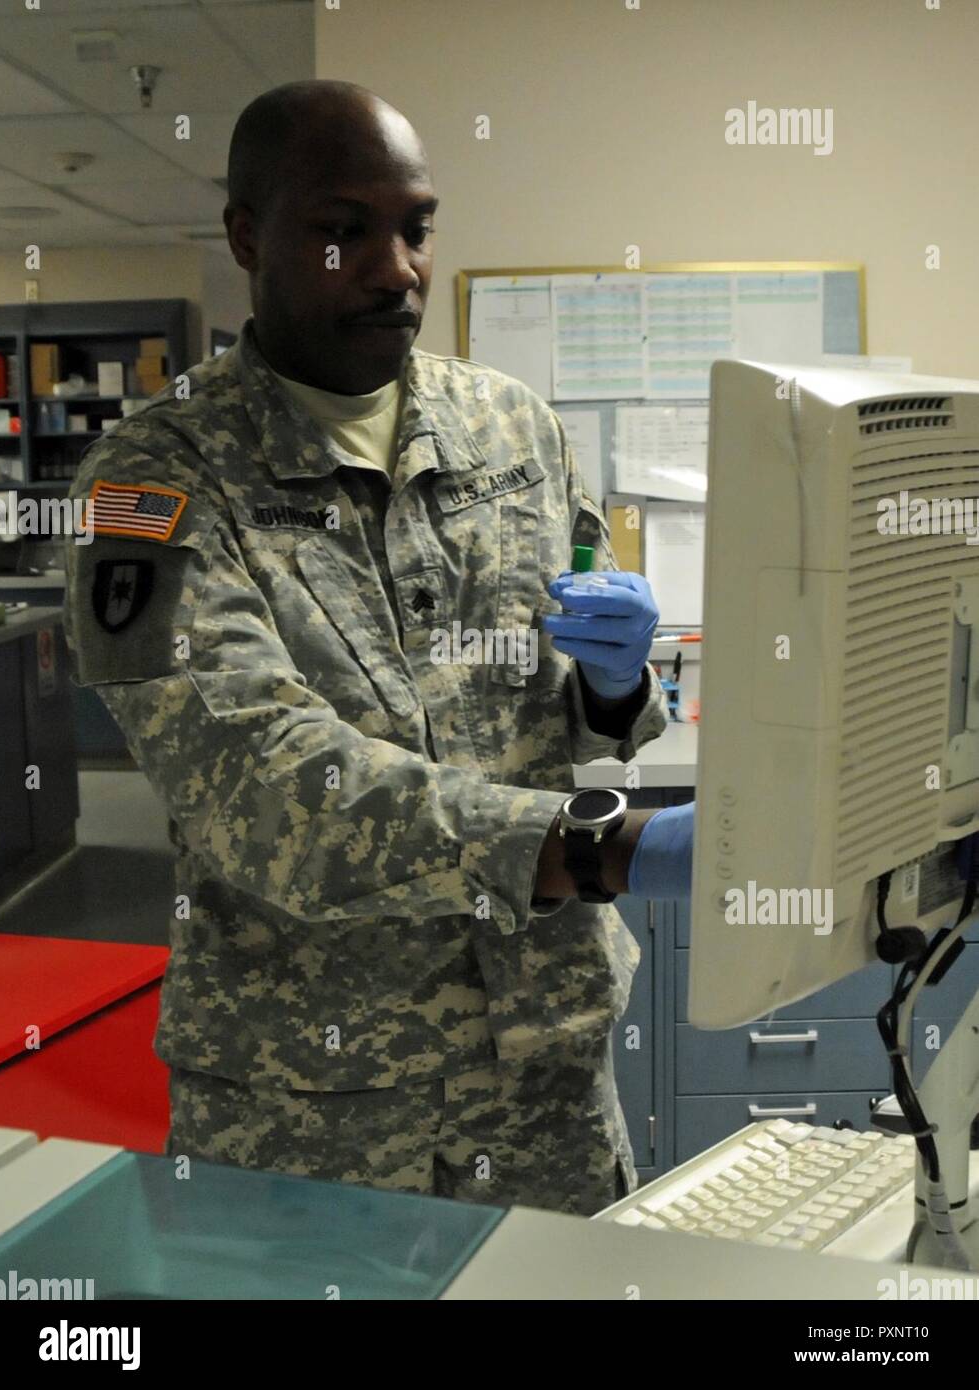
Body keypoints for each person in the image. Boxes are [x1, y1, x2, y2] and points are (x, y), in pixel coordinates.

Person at [62, 78, 694, 1216]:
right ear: (249, 236)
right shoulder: (149, 488)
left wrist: (618, 681)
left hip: (547, 1077)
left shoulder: (513, 430)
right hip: (315, 1119)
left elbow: (583, 708)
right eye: (343, 230)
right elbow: (266, 789)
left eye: (416, 226)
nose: (397, 266)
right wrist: (606, 849)